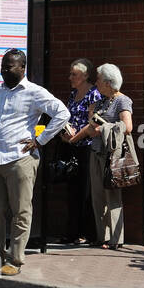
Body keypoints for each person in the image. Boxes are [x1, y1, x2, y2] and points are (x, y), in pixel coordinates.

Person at [0, 49, 69, 275]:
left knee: (21, 211)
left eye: (10, 66)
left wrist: (40, 140)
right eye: (3, 66)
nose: (4, 70)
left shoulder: (34, 92)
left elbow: (62, 113)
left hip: (20, 159)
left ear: (22, 67)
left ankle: (14, 261)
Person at [70, 63, 133, 250]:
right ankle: (102, 236)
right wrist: (73, 138)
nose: (96, 82)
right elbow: (91, 127)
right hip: (96, 152)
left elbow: (127, 127)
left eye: (98, 79)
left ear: (107, 82)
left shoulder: (123, 101)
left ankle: (115, 238)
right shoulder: (102, 101)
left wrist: (103, 129)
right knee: (97, 197)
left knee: (112, 196)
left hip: (111, 155)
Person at [58, 58, 101, 244]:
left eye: (74, 74)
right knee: (72, 191)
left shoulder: (93, 94)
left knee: (85, 191)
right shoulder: (74, 92)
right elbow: (67, 116)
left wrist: (75, 138)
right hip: (71, 146)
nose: (70, 77)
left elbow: (93, 124)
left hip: (86, 148)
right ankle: (72, 232)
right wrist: (64, 133)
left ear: (84, 76)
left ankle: (86, 233)